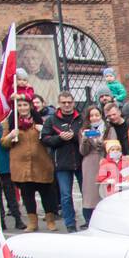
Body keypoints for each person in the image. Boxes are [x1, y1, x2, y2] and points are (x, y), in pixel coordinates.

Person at [4, 96, 59, 232]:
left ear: (30, 107)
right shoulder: (11, 123)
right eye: (20, 105)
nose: (22, 108)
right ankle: (32, 222)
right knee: (27, 195)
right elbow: (4, 143)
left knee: (46, 194)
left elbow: (51, 139)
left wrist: (43, 131)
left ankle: (50, 221)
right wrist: (10, 136)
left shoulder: (41, 122)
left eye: (25, 105)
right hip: (22, 167)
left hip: (41, 164)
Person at [40, 90, 84, 232]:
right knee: (65, 195)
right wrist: (59, 138)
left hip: (80, 160)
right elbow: (44, 139)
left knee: (86, 193)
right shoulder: (51, 120)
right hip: (62, 163)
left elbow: (88, 136)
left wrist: (74, 137)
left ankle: (88, 220)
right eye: (63, 103)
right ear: (59, 104)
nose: (67, 105)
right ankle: (70, 224)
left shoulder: (81, 118)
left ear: (73, 103)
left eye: (69, 102)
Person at [78, 105, 107, 224]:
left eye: (97, 115)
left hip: (104, 160)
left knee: (104, 190)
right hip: (89, 162)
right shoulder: (83, 130)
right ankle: (88, 218)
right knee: (90, 192)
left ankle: (105, 217)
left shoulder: (108, 128)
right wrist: (85, 139)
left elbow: (113, 145)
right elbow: (82, 151)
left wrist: (101, 142)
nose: (94, 118)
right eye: (92, 116)